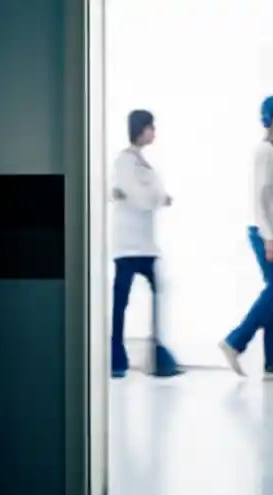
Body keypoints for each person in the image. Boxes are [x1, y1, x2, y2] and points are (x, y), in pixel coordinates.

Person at [219, 95, 273, 380]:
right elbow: (260, 198)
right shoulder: (264, 152)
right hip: (271, 231)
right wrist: (270, 236)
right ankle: (235, 342)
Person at [110, 109, 182, 378]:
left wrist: (157, 197)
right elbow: (139, 196)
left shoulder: (143, 162)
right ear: (140, 129)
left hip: (145, 243)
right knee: (121, 302)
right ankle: (116, 358)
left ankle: (157, 356)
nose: (154, 131)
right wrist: (158, 198)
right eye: (151, 127)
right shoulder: (125, 161)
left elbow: (148, 194)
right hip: (128, 245)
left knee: (158, 293)